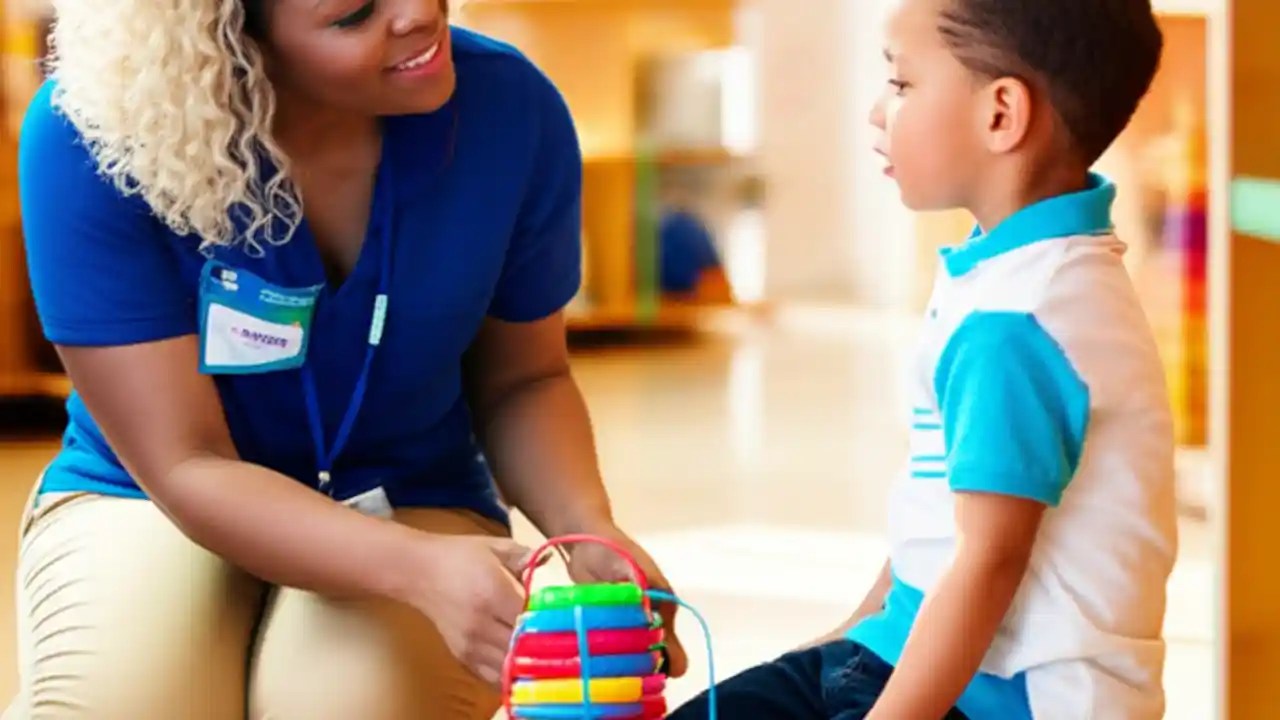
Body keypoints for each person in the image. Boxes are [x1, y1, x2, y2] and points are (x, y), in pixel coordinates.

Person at [10, 1, 686, 718]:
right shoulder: (95, 134)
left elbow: (523, 377)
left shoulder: (511, 111)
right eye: (354, 14)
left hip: (412, 494)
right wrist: (415, 568)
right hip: (149, 493)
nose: (419, 13)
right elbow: (184, 462)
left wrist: (588, 524)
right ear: (233, 34)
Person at [669, 0, 1174, 718]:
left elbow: (987, 564)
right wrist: (840, 643)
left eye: (902, 85)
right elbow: (938, 527)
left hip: (1001, 698)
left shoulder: (1020, 318)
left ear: (1001, 114)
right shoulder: (1015, 270)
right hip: (904, 652)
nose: (878, 113)